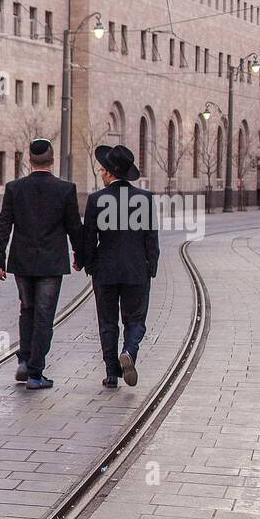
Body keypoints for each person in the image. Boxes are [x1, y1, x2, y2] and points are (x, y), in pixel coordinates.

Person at [0, 138, 88, 390]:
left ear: (30, 160)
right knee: (44, 316)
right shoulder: (65, 189)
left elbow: (4, 225)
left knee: (27, 309)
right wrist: (80, 255)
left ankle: (25, 360)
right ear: (52, 160)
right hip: (51, 263)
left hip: (21, 262)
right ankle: (35, 372)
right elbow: (74, 227)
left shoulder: (15, 188)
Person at [82, 145, 160, 388]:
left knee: (107, 322)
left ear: (109, 173)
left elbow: (88, 238)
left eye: (102, 170)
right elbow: (151, 238)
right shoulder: (145, 199)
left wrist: (88, 263)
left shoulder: (96, 199)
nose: (101, 174)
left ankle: (111, 374)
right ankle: (129, 350)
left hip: (105, 271)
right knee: (135, 319)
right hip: (136, 270)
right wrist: (151, 266)